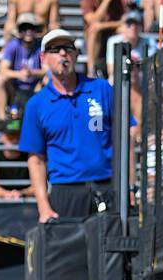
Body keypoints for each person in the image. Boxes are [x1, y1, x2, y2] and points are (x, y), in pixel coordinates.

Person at [19, 28, 120, 220]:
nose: (63, 53)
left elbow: (125, 139)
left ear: (76, 54)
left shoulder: (102, 89)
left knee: (113, 248)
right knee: (71, 250)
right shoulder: (36, 105)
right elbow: (36, 159)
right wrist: (43, 206)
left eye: (68, 48)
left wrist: (128, 188)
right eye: (55, 49)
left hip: (108, 187)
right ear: (43, 57)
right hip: (65, 192)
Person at [0, 13, 45, 121]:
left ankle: (47, 117)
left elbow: (48, 70)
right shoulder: (13, 45)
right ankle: (3, 120)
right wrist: (19, 74)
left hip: (36, 88)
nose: (28, 31)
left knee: (48, 79)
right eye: (24, 28)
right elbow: (2, 70)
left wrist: (32, 73)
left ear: (36, 30)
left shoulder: (41, 46)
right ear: (19, 31)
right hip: (15, 89)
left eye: (31, 28)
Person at [80, 0, 124, 75]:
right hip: (93, 36)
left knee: (125, 30)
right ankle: (91, 70)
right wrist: (106, 1)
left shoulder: (119, 0)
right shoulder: (88, 0)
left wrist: (104, 25)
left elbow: (125, 22)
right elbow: (93, 21)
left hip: (111, 31)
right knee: (94, 30)